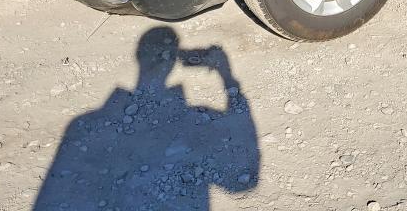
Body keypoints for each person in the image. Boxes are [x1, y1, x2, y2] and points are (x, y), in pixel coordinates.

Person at [34, 27, 259, 210]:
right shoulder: (194, 119)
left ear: (138, 57)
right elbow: (242, 183)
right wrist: (227, 77)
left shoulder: (83, 125)